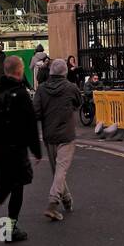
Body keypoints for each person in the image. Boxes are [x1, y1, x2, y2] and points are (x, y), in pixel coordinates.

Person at [0, 55, 41, 244]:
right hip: (15, 148)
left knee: (5, 185)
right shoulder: (20, 93)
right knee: (17, 187)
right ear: (20, 71)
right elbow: (30, 124)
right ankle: (10, 230)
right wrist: (36, 151)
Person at [32, 58, 82, 221]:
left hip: (49, 135)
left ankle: (67, 201)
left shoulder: (42, 89)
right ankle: (53, 204)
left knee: (58, 171)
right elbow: (78, 103)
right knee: (61, 171)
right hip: (66, 134)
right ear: (65, 72)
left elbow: (36, 113)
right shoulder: (71, 87)